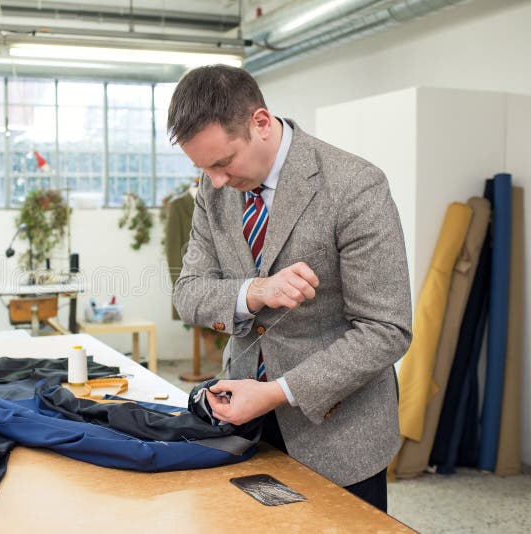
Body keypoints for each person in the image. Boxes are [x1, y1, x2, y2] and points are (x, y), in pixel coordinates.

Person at [168, 65, 412, 512]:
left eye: (222, 163)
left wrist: (279, 391)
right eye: (203, 168)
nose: (215, 181)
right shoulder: (214, 186)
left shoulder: (355, 185)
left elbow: (386, 328)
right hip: (244, 424)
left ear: (260, 122)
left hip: (338, 433)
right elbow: (188, 293)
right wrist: (254, 292)